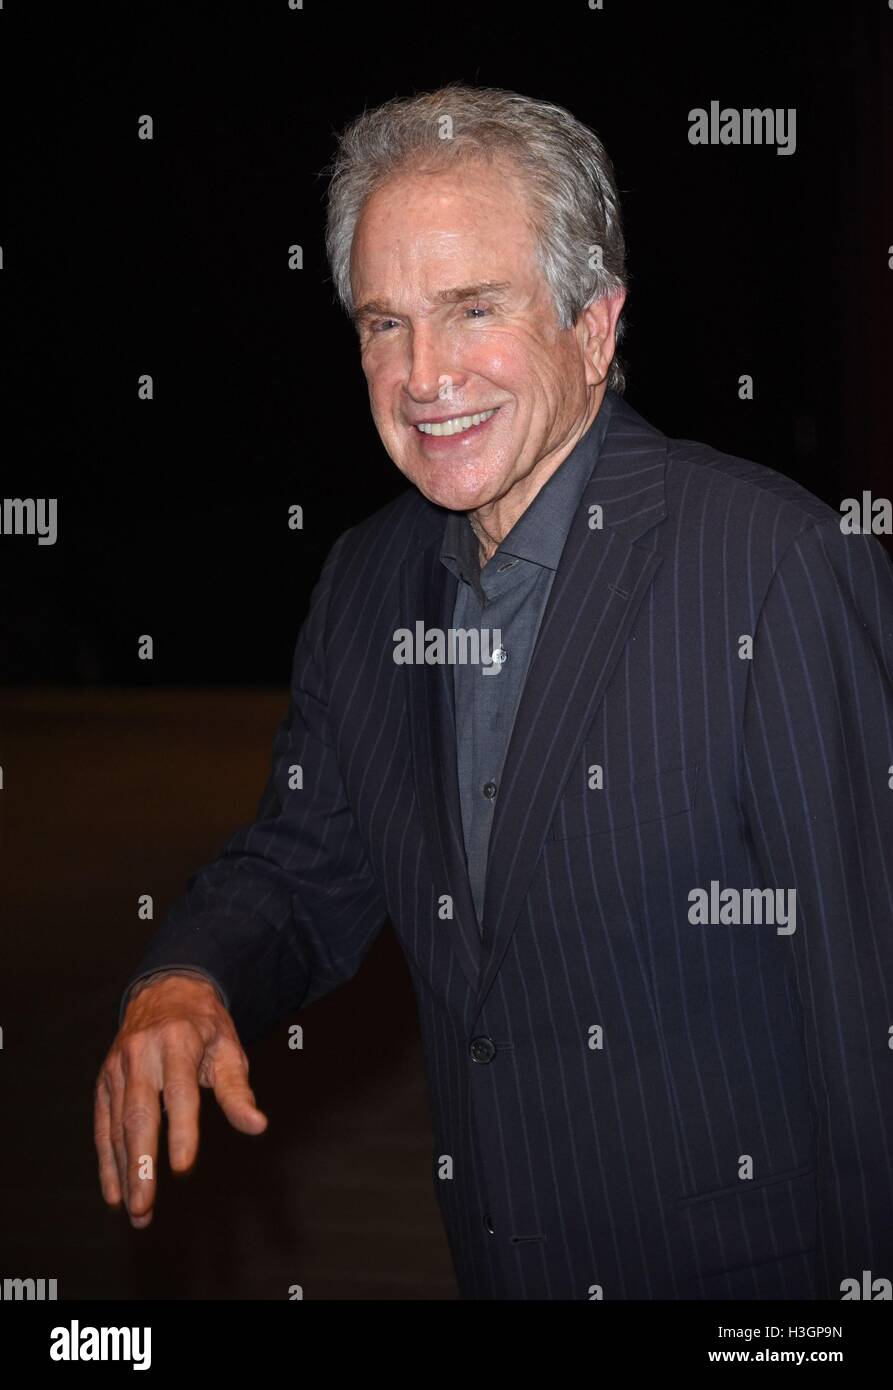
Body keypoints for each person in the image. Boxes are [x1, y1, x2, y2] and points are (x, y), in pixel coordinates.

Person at [95, 83, 893, 1300]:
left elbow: (867, 1019)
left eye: (473, 308)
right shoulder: (366, 580)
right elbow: (303, 866)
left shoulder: (773, 568)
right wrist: (187, 977)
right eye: (385, 323)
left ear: (594, 325)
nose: (423, 376)